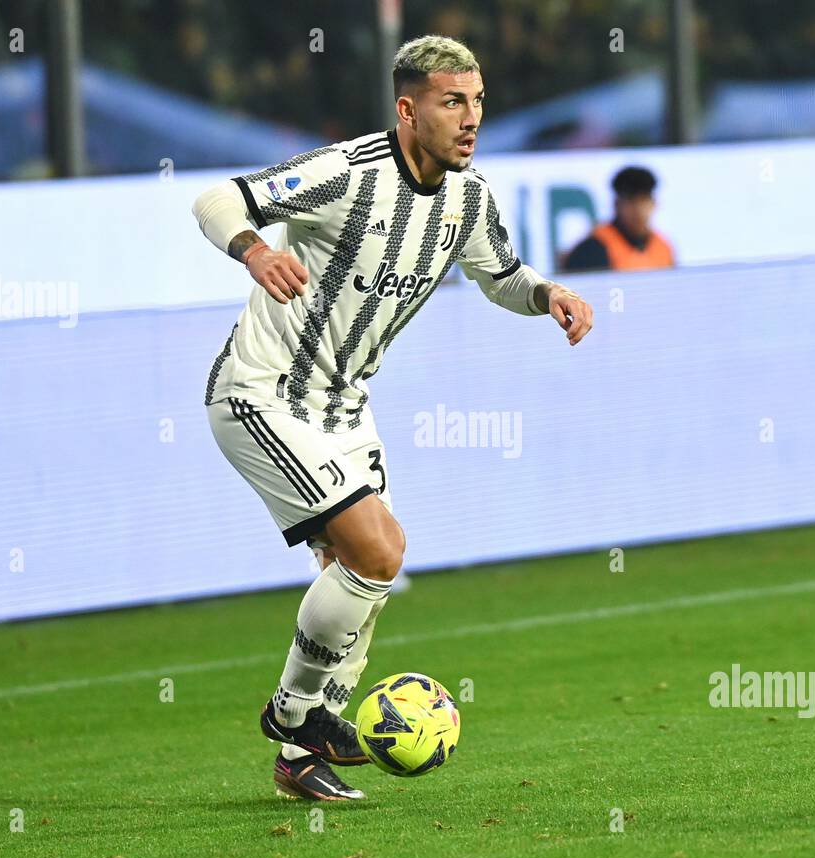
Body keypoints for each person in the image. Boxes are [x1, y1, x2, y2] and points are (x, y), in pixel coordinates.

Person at [191, 34, 593, 801]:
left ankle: (304, 751)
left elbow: (500, 276)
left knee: (358, 575)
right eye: (452, 102)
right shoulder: (349, 172)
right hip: (262, 391)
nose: (470, 118)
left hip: (345, 408)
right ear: (408, 110)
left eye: (477, 101)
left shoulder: (469, 198)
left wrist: (549, 297)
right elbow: (217, 199)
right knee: (380, 550)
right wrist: (253, 251)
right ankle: (292, 716)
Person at [563, 166, 675, 272]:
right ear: (617, 205)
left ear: (654, 204)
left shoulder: (663, 248)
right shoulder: (593, 249)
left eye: (643, 201)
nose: (638, 210)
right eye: (631, 202)